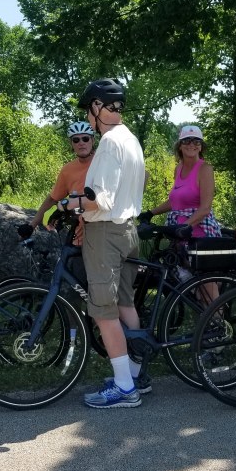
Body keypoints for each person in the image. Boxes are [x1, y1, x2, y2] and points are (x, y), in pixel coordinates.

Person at [75, 79, 147, 409]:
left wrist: (68, 206)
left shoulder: (108, 144)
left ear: (100, 107)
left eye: (89, 110)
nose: (89, 118)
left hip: (105, 233)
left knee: (104, 312)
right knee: (126, 304)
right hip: (128, 230)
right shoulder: (130, 139)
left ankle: (124, 388)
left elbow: (98, 201)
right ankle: (135, 373)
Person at [140, 125, 220, 240]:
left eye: (197, 141)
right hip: (178, 232)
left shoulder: (205, 169)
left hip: (198, 234)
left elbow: (205, 209)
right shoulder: (178, 169)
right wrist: (150, 213)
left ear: (201, 147)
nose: (191, 144)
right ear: (180, 146)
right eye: (187, 141)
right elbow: (175, 201)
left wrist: (182, 227)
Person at [23, 121, 96, 245]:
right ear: (71, 144)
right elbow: (52, 198)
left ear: (92, 141)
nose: (81, 143)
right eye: (76, 140)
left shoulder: (102, 163)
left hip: (101, 232)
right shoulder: (68, 169)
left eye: (85, 138)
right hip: (78, 234)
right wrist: (32, 225)